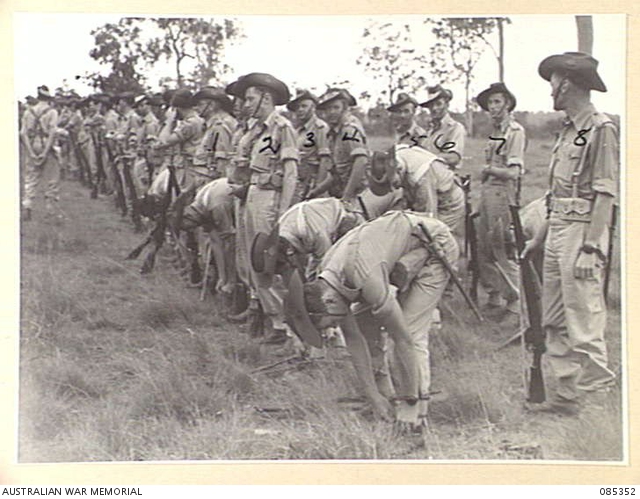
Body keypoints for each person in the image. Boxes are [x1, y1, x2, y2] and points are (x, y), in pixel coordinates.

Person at [290, 211, 458, 430]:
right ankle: (386, 400)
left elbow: (403, 340)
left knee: (411, 330)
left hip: (433, 246)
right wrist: (374, 397)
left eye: (331, 323)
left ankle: (414, 418)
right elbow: (355, 341)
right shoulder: (327, 283)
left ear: (329, 302)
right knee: (367, 332)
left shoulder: (365, 278)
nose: (334, 328)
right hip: (394, 252)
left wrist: (409, 399)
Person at [523, 52, 618, 415]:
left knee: (584, 317)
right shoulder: (568, 130)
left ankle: (595, 400)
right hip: (558, 229)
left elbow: (606, 193)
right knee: (554, 317)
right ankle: (566, 395)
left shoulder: (601, 129)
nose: (550, 90)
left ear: (567, 83)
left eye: (553, 81)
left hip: (582, 233)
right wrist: (540, 236)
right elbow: (557, 193)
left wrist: (591, 248)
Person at [226, 72, 299, 342]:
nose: (245, 104)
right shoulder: (255, 130)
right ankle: (272, 319)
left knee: (267, 261)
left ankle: (286, 324)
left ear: (266, 99)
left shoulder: (282, 128)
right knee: (251, 260)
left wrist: (283, 212)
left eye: (250, 99)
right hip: (252, 195)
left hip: (270, 198)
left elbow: (291, 173)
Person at [475, 82, 526, 324]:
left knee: (501, 247)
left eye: (497, 102)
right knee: (483, 246)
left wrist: (489, 169)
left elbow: (514, 172)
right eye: (489, 104)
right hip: (487, 194)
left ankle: (516, 305)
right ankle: (495, 297)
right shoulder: (495, 132)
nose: (492, 107)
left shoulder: (514, 132)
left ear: (507, 103)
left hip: (503, 195)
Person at [179, 177, 237, 295]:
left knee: (238, 249)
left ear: (187, 215)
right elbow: (216, 243)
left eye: (190, 226)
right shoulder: (199, 207)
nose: (193, 228)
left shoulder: (216, 206)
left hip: (239, 200)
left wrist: (230, 280)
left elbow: (229, 243)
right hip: (226, 200)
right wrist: (222, 277)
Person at [310, 88, 369, 203]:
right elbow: (337, 173)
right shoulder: (333, 135)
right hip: (345, 192)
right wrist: (316, 191)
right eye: (328, 109)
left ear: (344, 109)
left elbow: (361, 161)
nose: (332, 112)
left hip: (361, 194)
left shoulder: (349, 130)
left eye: (336, 107)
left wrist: (347, 196)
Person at [20, 85, 60, 221]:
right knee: (52, 179)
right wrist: (45, 151)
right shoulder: (52, 112)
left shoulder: (28, 112)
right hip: (46, 145)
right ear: (48, 98)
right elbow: (52, 133)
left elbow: (23, 133)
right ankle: (50, 210)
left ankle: (27, 206)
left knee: (31, 177)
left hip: (32, 144)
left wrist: (30, 151)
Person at [286, 90, 332, 204]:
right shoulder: (297, 130)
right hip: (297, 180)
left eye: (304, 106)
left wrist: (318, 188)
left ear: (313, 108)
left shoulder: (320, 128)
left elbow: (325, 159)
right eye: (298, 107)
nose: (300, 110)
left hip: (312, 180)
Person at [193, 86, 238, 181]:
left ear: (211, 106)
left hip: (210, 179)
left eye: (200, 104)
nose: (196, 108)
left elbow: (222, 160)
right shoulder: (212, 124)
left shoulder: (220, 125)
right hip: (204, 177)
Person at [419, 85, 466, 169]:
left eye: (438, 104)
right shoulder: (429, 131)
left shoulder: (455, 128)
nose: (434, 108)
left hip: (446, 177)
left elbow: (453, 158)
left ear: (447, 104)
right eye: (431, 105)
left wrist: (424, 158)